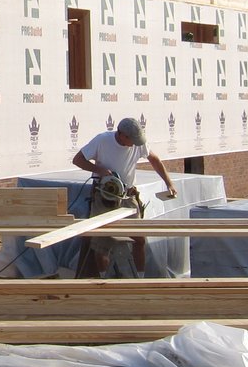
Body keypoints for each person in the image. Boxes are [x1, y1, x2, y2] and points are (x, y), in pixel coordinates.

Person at [70, 117, 178, 278]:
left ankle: (139, 279)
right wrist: (100, 170)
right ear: (121, 134)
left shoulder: (138, 143)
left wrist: (169, 183)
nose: (134, 144)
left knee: (139, 239)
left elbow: (154, 160)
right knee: (101, 243)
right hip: (104, 195)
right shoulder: (102, 140)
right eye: (131, 141)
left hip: (128, 195)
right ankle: (104, 279)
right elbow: (78, 160)